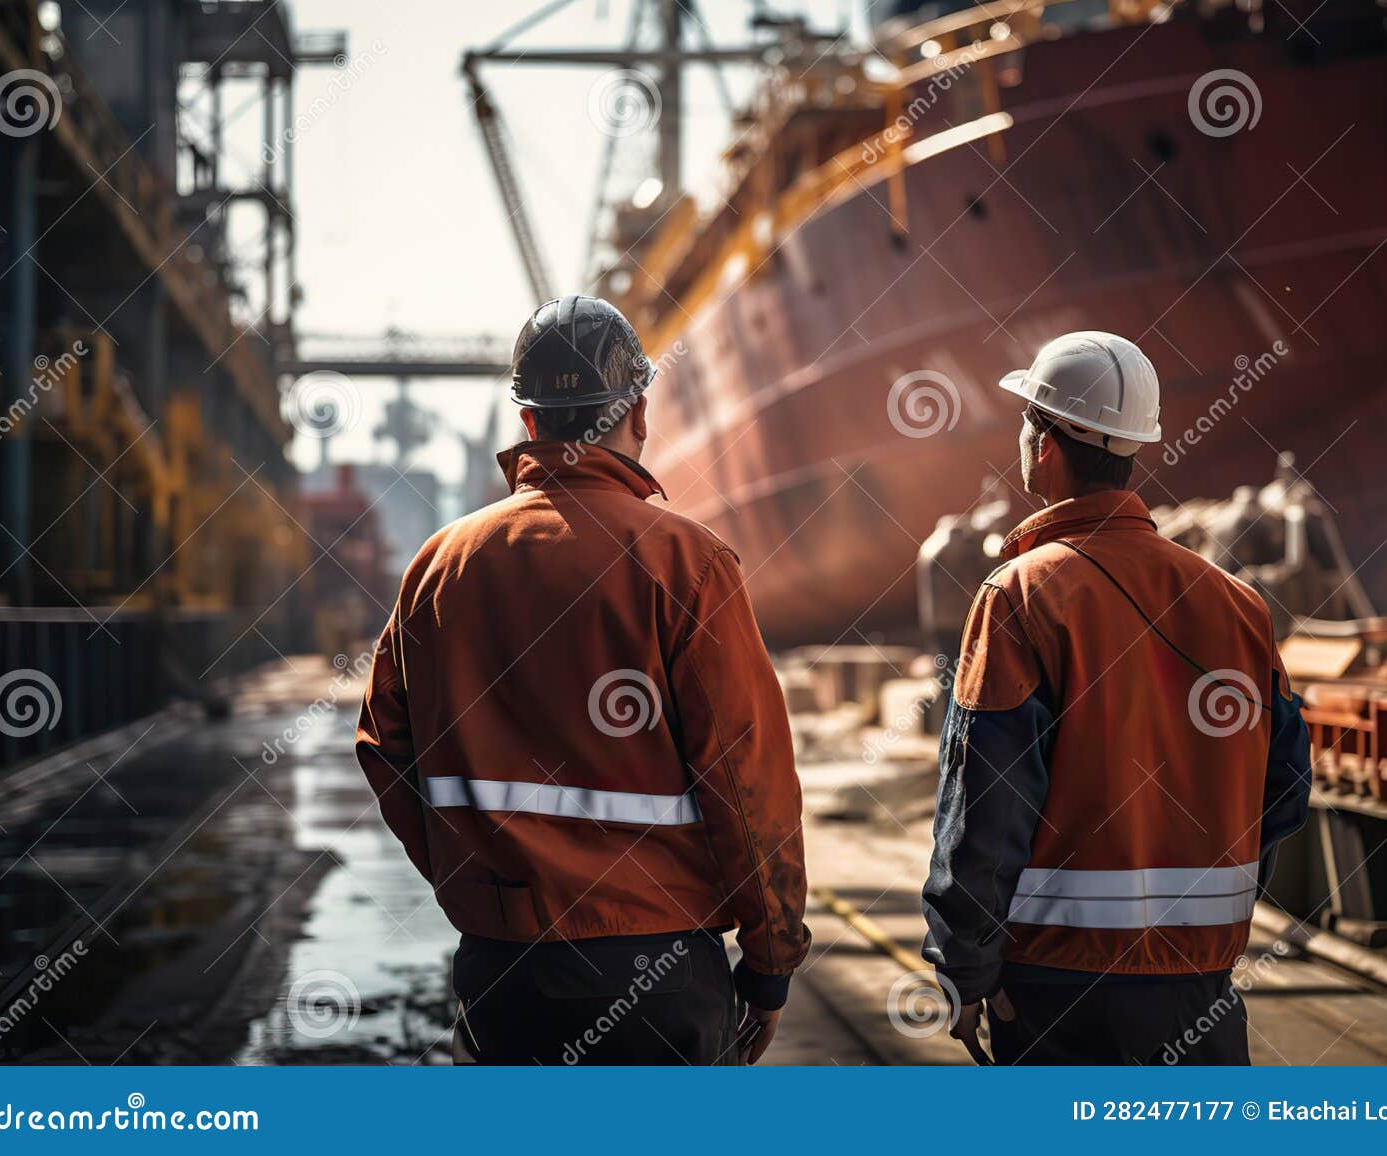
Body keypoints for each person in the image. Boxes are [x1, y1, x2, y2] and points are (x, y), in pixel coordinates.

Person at [356, 295, 809, 1065]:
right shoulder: (688, 564)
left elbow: (381, 746)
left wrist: (477, 881)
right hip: (660, 967)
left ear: (529, 423)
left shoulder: (438, 566)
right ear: (637, 411)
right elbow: (746, 781)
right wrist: (770, 963)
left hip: (502, 968)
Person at [921, 331, 1311, 1065]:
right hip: (1202, 989)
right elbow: (1287, 787)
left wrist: (965, 969)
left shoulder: (1020, 595)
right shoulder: (1238, 605)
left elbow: (985, 804)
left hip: (1056, 994)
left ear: (1043, 447)